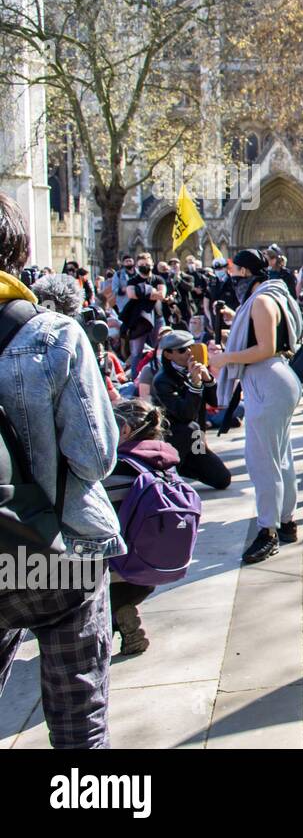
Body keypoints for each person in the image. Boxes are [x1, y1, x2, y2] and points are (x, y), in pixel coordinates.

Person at [0, 192, 122, 749]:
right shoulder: (52, 335)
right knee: (79, 722)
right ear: (21, 250)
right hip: (54, 554)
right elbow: (96, 458)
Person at [210, 249, 303, 564]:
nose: (231, 278)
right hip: (273, 380)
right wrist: (231, 321)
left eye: (236, 272)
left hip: (268, 380)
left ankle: (269, 531)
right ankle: (287, 521)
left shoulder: (262, 301)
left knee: (263, 461)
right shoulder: (269, 295)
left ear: (249, 273)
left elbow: (265, 348)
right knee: (281, 457)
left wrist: (225, 358)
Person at [100, 399, 179, 655]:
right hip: (154, 567)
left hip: (119, 575)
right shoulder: (164, 463)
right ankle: (116, 618)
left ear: (124, 430)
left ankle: (115, 616)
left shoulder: (116, 471)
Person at [151, 328, 232, 491]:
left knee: (222, 479)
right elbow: (186, 415)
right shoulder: (162, 381)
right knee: (190, 428)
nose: (188, 352)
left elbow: (217, 402)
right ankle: (166, 471)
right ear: (168, 355)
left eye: (190, 347)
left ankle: (183, 467)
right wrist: (194, 385)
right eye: (182, 350)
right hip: (173, 440)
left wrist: (208, 379)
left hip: (195, 440)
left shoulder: (194, 369)